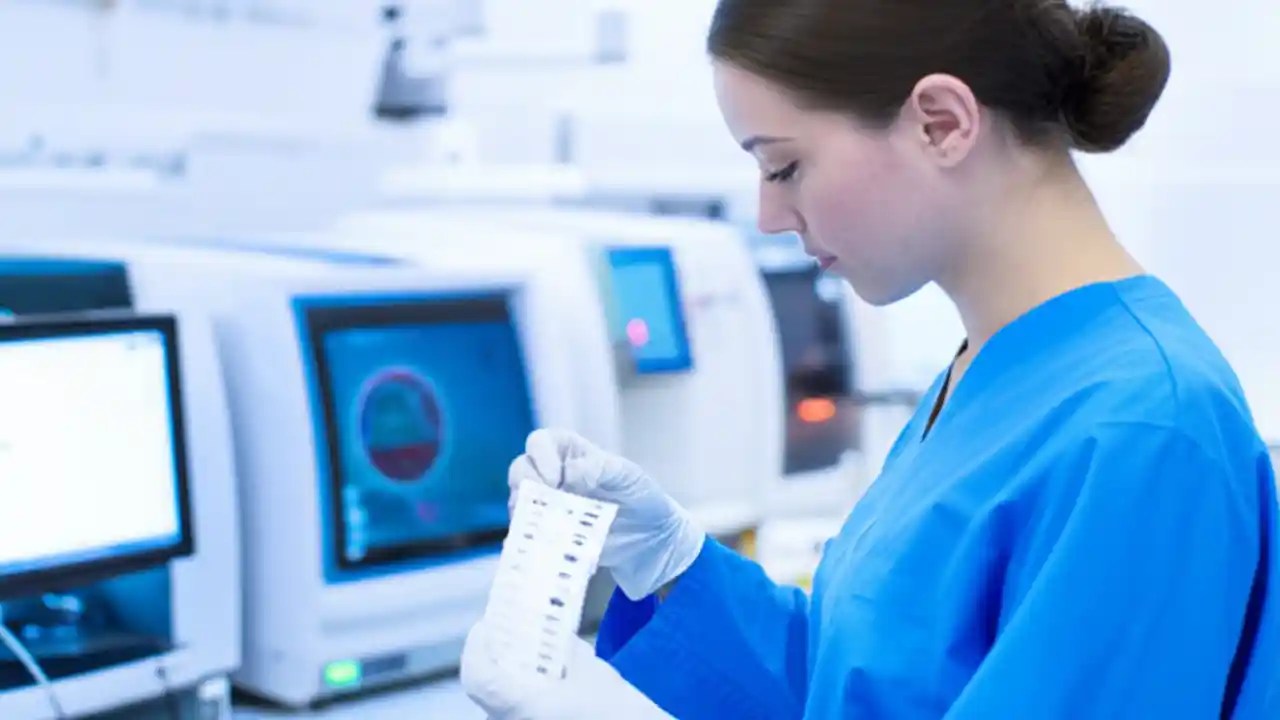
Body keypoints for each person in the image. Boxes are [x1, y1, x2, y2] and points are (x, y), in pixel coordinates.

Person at [460, 0, 1280, 716]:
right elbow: (860, 686)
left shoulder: (1142, 430)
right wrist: (669, 566)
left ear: (941, 123)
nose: (769, 213)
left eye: (785, 166)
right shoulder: (994, 368)